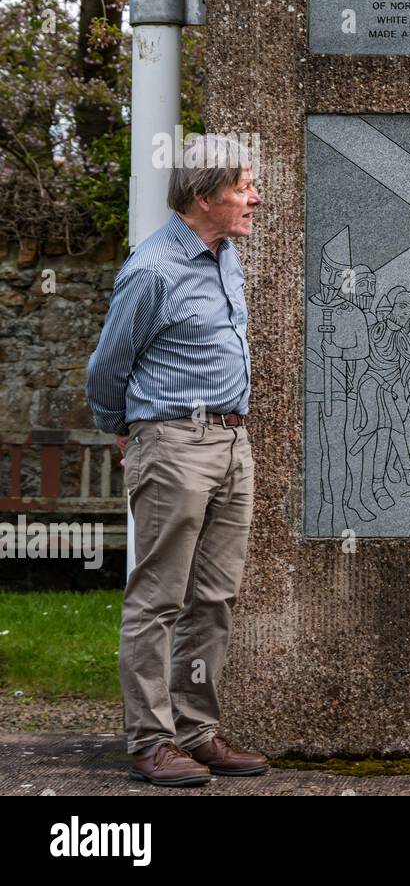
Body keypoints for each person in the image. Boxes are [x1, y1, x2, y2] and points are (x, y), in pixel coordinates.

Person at [86, 135, 269, 785]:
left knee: (213, 598)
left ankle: (194, 732)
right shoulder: (152, 270)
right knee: (159, 598)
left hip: (232, 444)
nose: (254, 196)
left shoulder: (227, 255)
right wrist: (125, 431)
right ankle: (150, 740)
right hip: (172, 446)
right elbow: (108, 367)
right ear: (203, 197)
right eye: (243, 186)